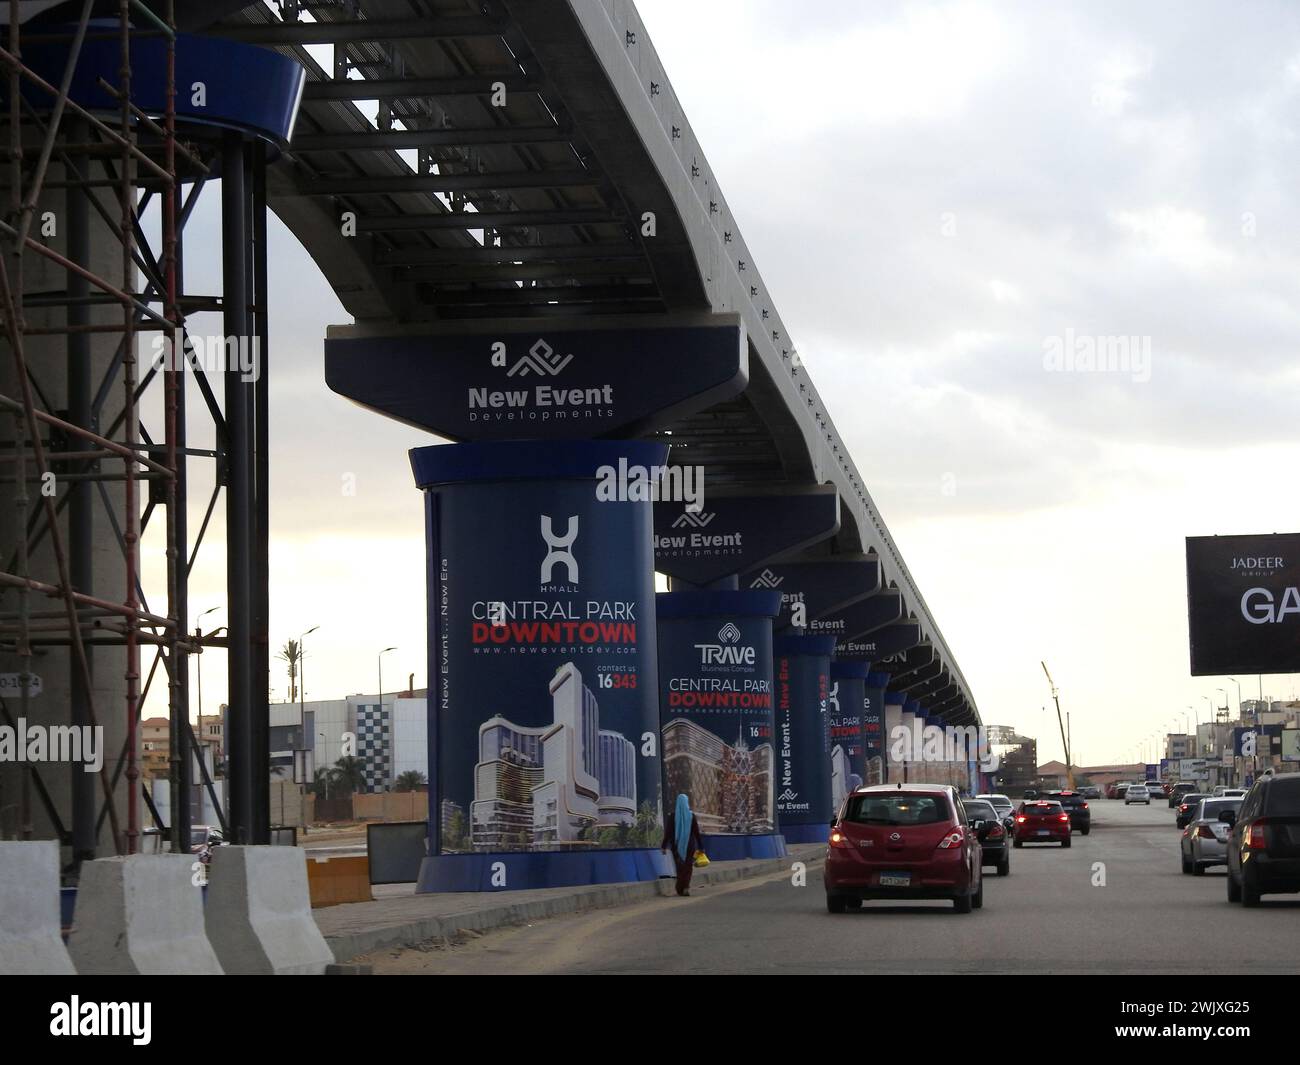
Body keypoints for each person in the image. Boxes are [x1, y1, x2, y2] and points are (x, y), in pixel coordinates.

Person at [661, 792, 703, 897]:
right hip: (690, 846)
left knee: (679, 867)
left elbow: (668, 832)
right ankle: (686, 887)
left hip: (676, 846)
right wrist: (701, 847)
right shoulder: (691, 816)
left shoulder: (673, 816)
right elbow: (696, 833)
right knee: (688, 867)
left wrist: (664, 846)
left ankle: (680, 888)